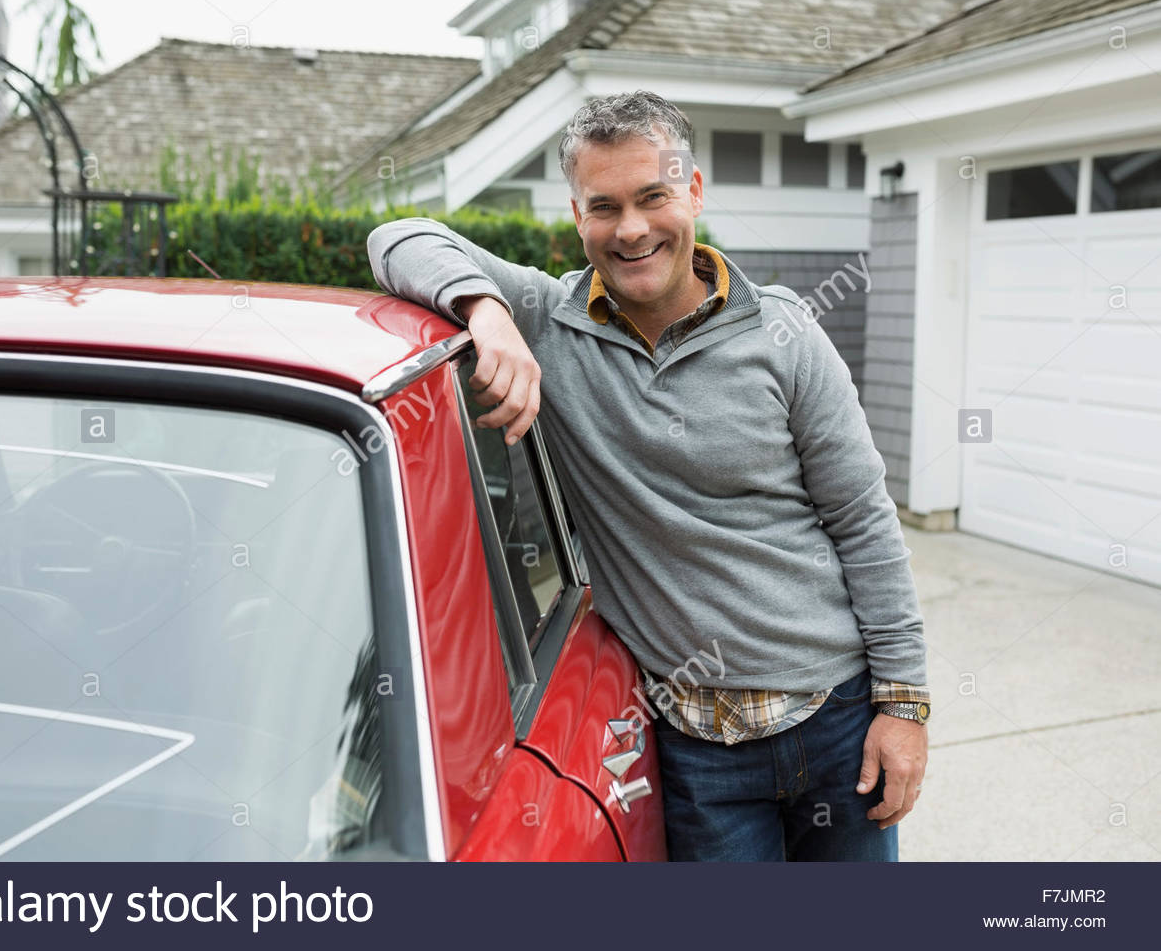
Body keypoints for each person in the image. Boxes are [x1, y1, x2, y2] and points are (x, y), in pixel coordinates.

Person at [366, 90, 929, 862]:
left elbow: (864, 520)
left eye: (653, 197)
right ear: (577, 215)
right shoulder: (549, 320)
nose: (631, 229)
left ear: (692, 191)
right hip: (698, 754)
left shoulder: (785, 333)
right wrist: (487, 312)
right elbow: (398, 236)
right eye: (605, 207)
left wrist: (903, 707)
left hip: (836, 722)